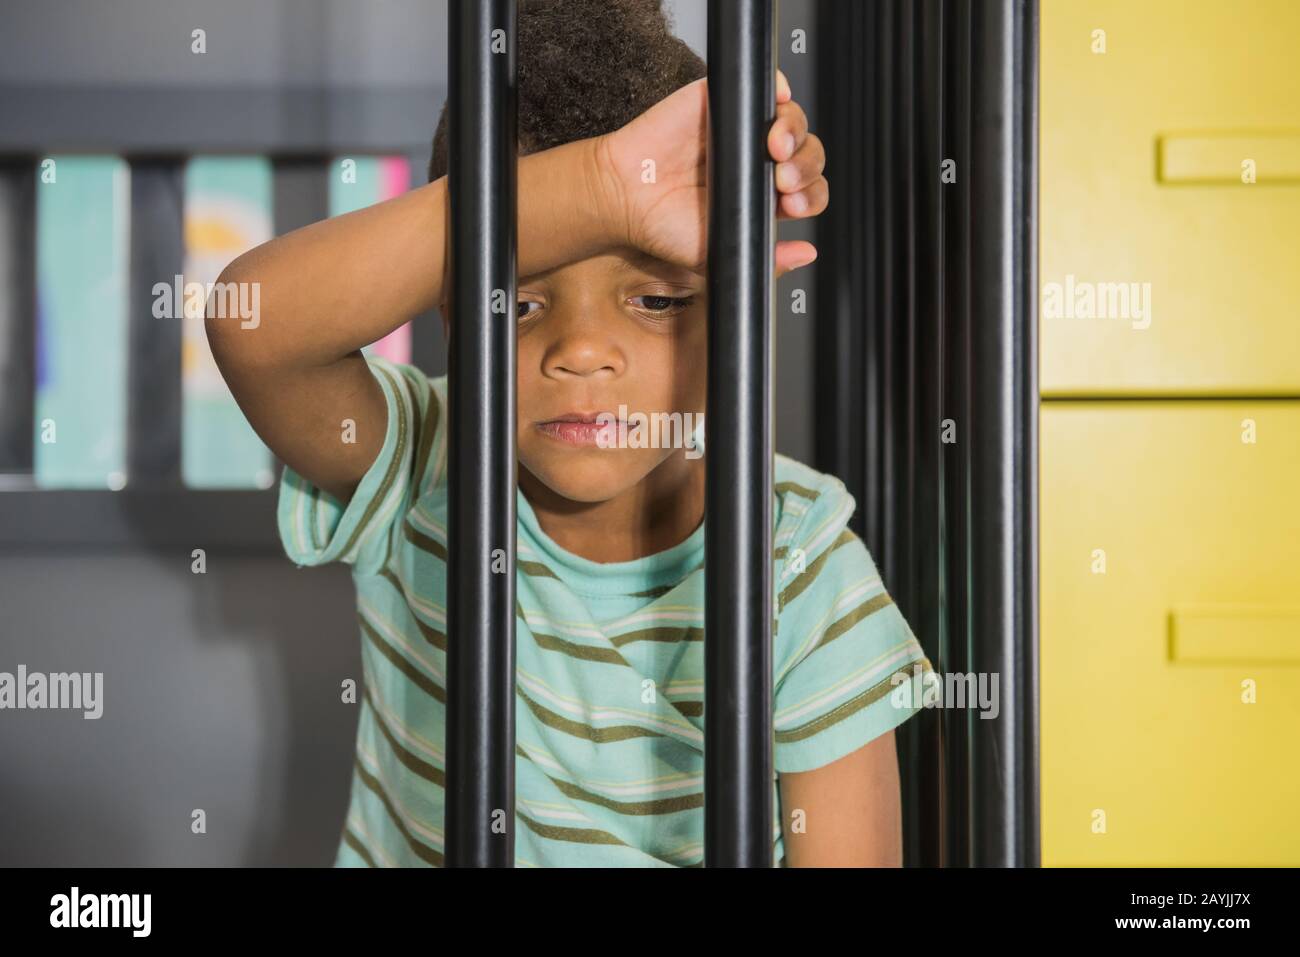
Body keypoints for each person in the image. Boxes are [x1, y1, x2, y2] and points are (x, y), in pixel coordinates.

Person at [207, 0, 932, 867]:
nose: (583, 351)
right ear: (450, 315)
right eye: (520, 300)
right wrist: (601, 189)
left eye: (657, 299)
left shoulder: (801, 566)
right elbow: (256, 324)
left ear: (740, 307)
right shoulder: (426, 465)